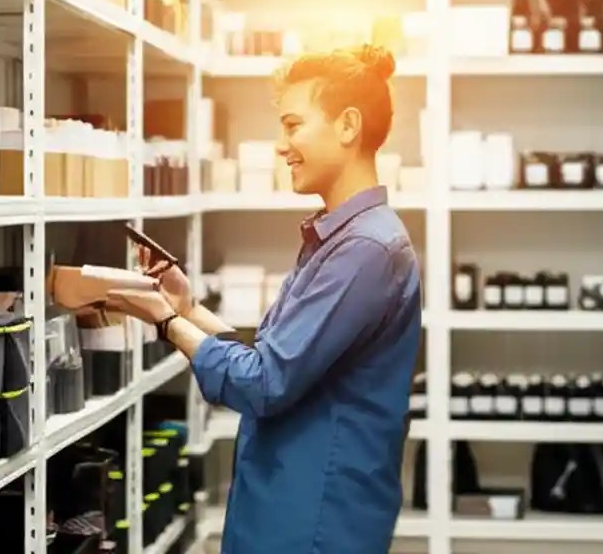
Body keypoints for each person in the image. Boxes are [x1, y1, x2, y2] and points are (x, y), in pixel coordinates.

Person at [110, 44, 423, 554]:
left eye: (294, 125)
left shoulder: (364, 249)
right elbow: (277, 359)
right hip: (292, 510)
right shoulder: (345, 239)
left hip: (314, 523)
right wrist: (187, 308)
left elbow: (263, 383)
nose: (282, 145)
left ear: (347, 125)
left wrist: (167, 322)